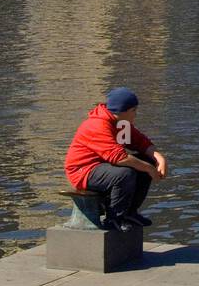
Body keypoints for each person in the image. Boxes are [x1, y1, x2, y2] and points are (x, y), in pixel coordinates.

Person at [65, 87, 168, 232]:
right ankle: (114, 218)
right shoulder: (97, 125)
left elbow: (140, 142)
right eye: (134, 110)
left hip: (104, 165)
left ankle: (130, 212)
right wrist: (149, 168)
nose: (135, 114)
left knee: (146, 161)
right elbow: (118, 158)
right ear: (124, 111)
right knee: (125, 174)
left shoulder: (121, 124)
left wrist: (159, 158)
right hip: (83, 171)